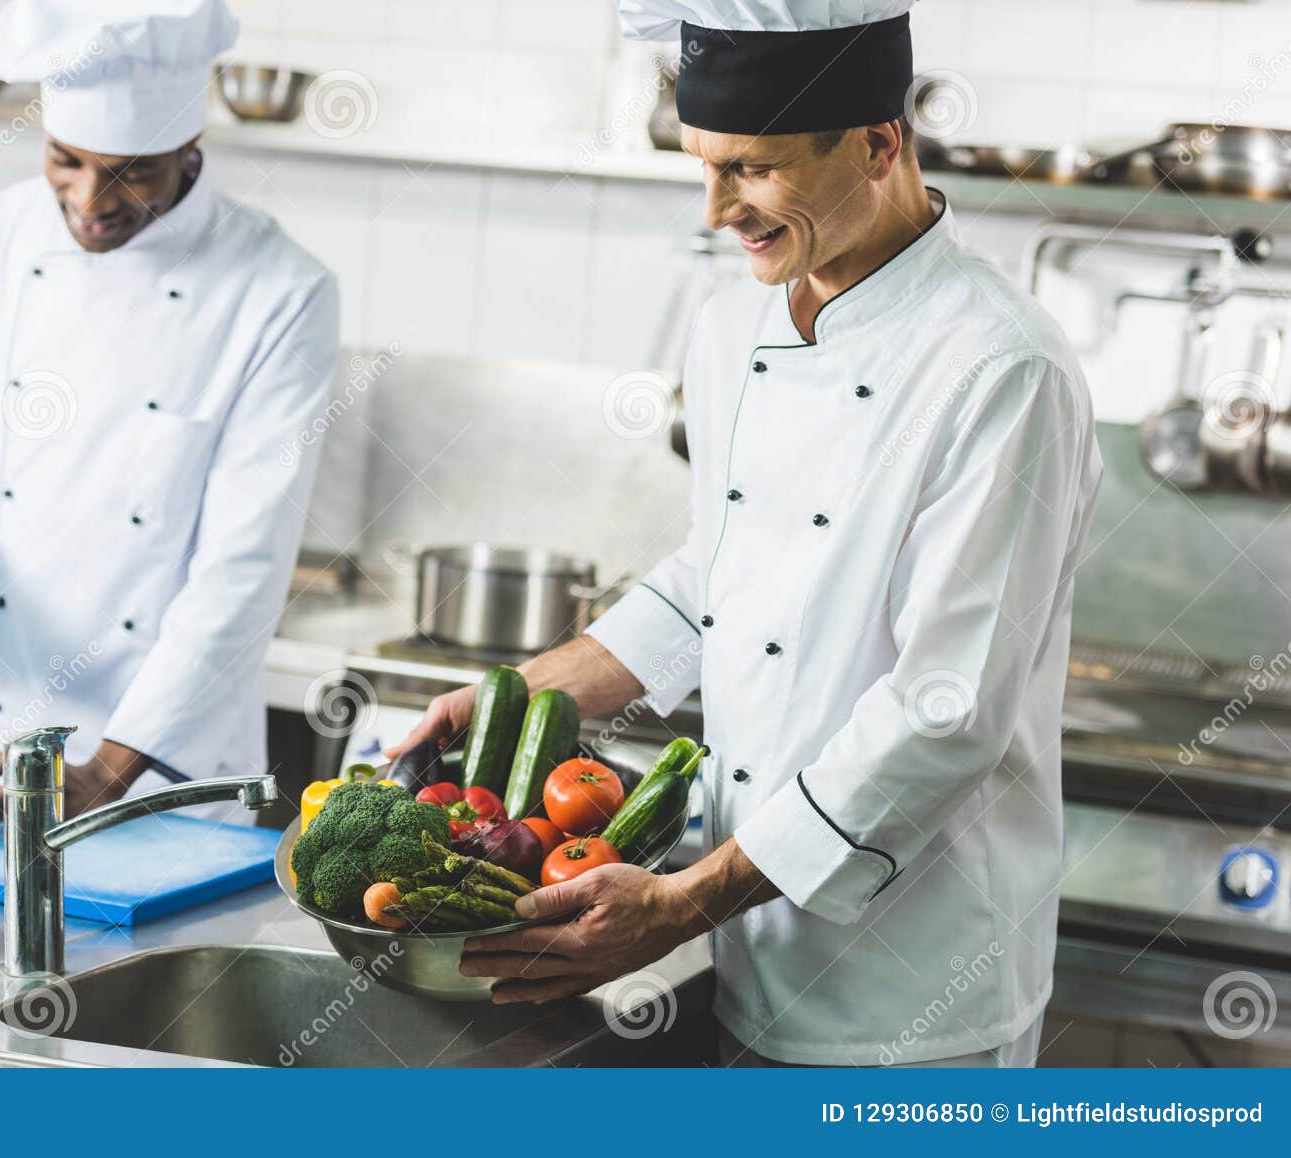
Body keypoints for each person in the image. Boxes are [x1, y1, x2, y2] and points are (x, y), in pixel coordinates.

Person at [396, 0, 1102, 1068]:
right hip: (749, 943)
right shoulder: (736, 325)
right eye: (704, 165)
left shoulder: (1001, 369)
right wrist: (522, 696)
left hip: (913, 992)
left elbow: (943, 711)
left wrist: (682, 902)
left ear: (877, 144)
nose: (720, 208)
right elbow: (708, 585)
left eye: (754, 170)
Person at [0, 0, 338, 817]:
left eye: (132, 171)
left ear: (189, 148)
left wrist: (106, 772)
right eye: (65, 159)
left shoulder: (280, 290)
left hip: (167, 778)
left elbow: (241, 570)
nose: (89, 198)